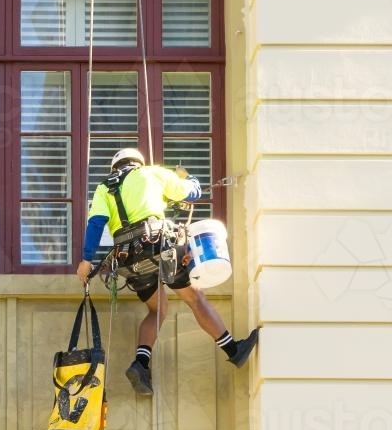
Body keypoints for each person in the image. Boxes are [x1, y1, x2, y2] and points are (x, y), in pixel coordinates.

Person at [76, 148, 258, 396]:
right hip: (157, 247)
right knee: (194, 298)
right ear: (137, 163)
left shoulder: (104, 187)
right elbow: (192, 192)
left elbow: (96, 222)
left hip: (129, 260)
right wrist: (190, 178)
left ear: (115, 168)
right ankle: (233, 351)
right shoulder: (151, 173)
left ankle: (141, 364)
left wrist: (86, 260)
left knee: (157, 309)